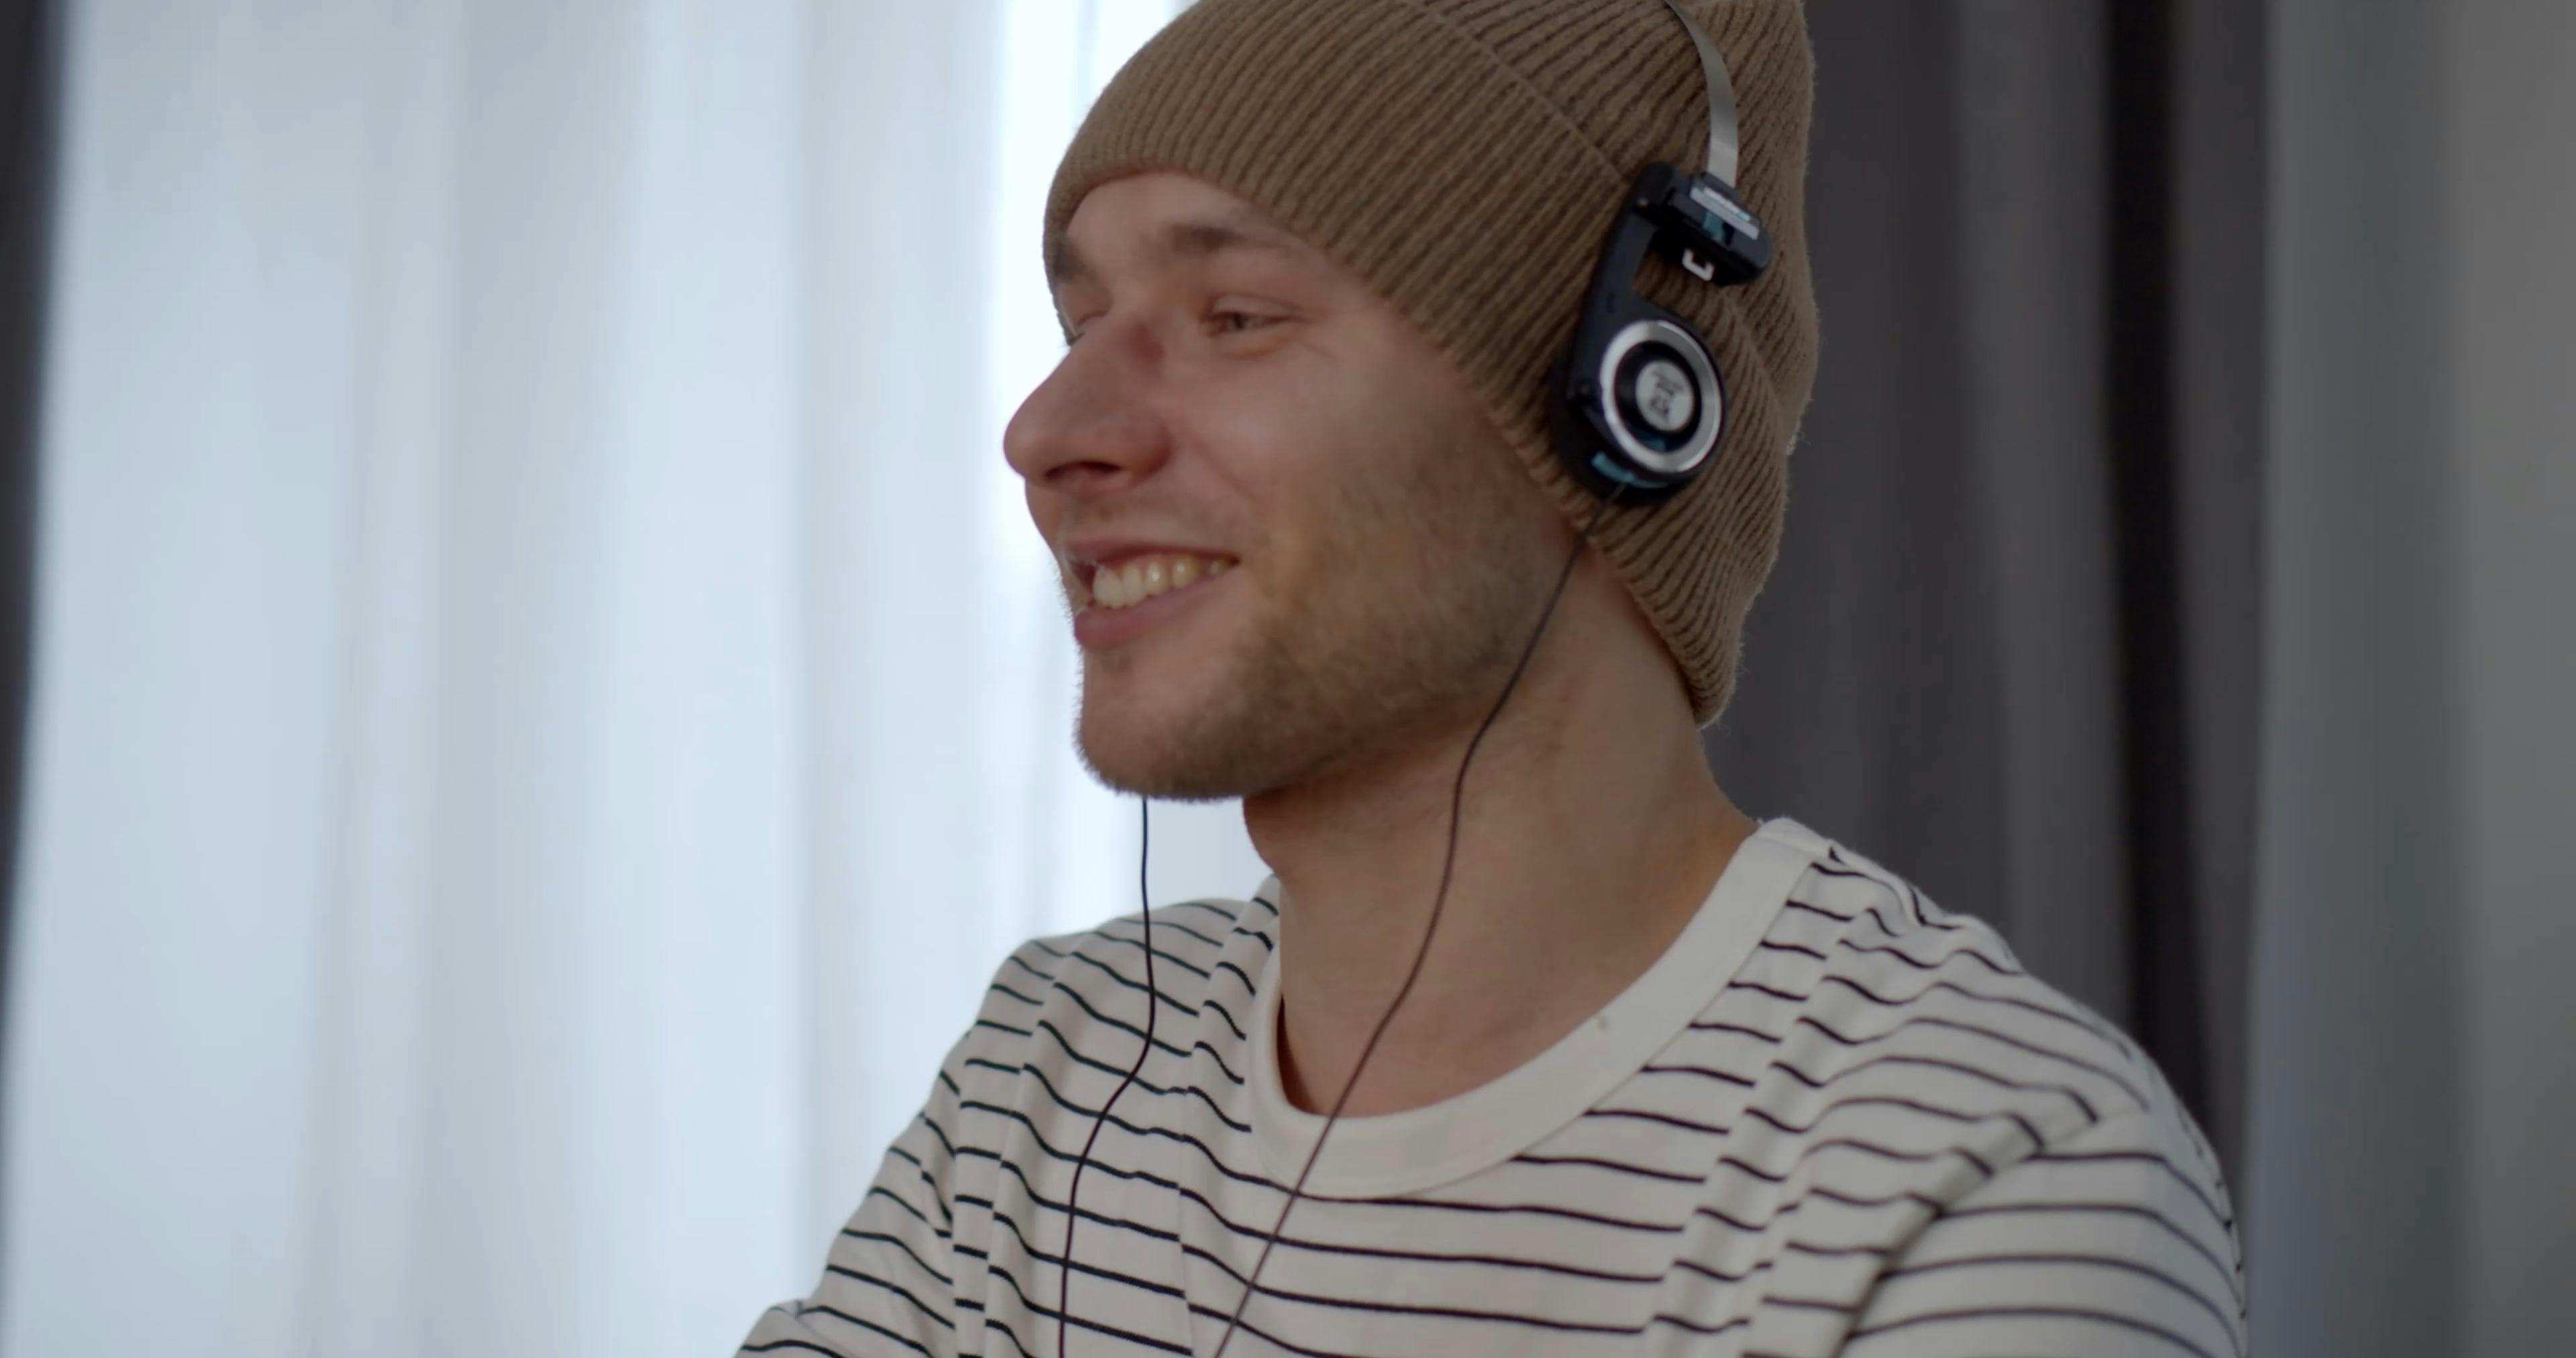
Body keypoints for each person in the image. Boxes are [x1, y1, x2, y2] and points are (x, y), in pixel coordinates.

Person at [739, 1, 2247, 1354]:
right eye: (1080, 327)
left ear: (1628, 407)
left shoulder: (1977, 1177)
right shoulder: (1049, 1073)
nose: (1049, 428)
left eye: (1236, 316)